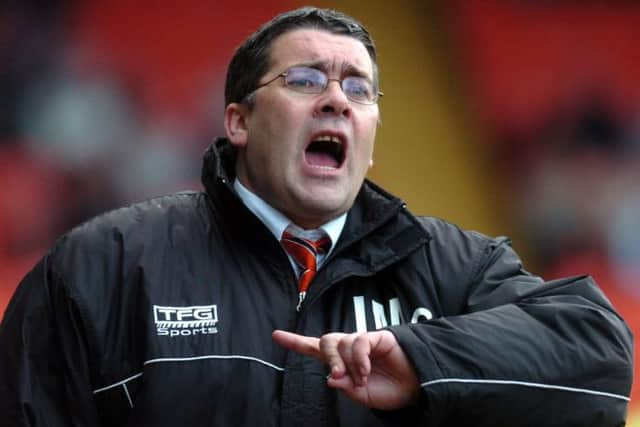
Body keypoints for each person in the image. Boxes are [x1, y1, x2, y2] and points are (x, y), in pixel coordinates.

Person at [0, 6, 633, 427]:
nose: (337, 98)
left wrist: (422, 358)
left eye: (359, 89)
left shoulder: (455, 268)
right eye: (305, 80)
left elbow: (599, 352)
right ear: (238, 122)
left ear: (372, 133)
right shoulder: (103, 264)